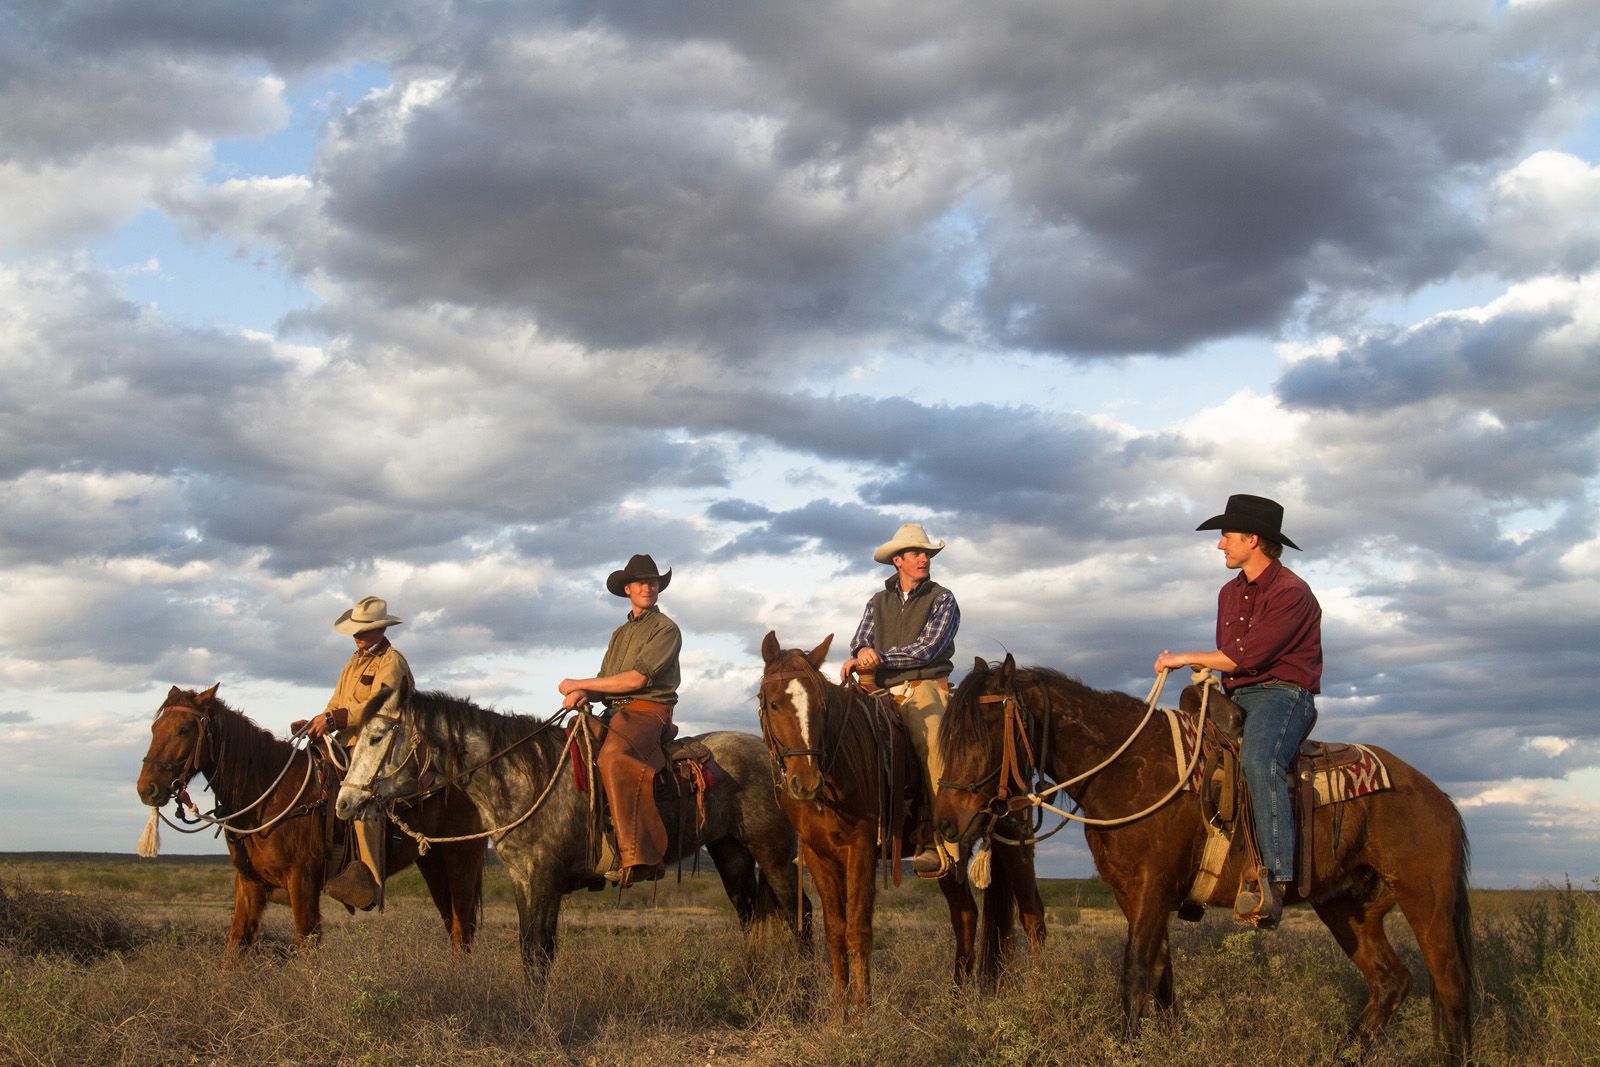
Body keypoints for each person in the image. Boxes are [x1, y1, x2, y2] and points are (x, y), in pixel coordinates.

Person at [1154, 494, 1322, 926]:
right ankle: (1198, 872)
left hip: (1283, 695)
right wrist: (1206, 670)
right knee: (1185, 759)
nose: (1220, 546)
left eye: (1227, 537)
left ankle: (1273, 878)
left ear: (1253, 539)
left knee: (1259, 761)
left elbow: (1247, 655)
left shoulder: (1292, 592)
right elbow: (1230, 659)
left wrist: (1181, 658)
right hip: (1237, 695)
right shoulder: (1229, 593)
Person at [840, 523, 961, 877]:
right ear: (898, 561)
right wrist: (861, 652)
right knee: (837, 737)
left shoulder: (942, 598)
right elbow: (862, 638)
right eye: (916, 553)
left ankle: (942, 842)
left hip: (923, 686)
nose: (924, 558)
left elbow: (929, 649)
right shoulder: (877, 601)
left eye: (926, 554)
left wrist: (880, 658)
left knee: (934, 745)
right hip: (880, 689)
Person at [558, 554, 682, 888]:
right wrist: (583, 694)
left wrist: (580, 683)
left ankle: (636, 857)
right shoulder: (619, 634)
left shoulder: (665, 629)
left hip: (648, 711)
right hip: (616, 712)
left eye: (653, 582)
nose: (649, 587)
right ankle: (591, 847)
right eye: (642, 582)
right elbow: (606, 682)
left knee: (612, 757)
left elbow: (636, 680)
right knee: (571, 742)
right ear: (628, 589)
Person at [297, 595, 414, 910]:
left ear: (380, 630)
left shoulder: (392, 662)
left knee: (364, 801)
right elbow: (336, 702)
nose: (357, 635)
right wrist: (320, 721)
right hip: (348, 743)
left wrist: (335, 720)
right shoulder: (353, 662)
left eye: (364, 629)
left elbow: (382, 707)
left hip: (379, 746)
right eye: (356, 630)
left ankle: (370, 882)